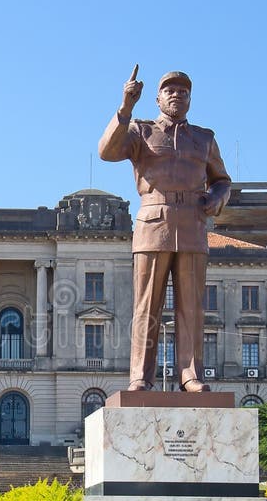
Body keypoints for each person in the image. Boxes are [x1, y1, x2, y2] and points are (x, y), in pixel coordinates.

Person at [99, 65, 231, 392]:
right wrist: (125, 107)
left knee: (191, 308)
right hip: (153, 221)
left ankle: (190, 374)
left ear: (190, 99)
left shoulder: (204, 139)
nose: (177, 95)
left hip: (192, 223)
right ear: (157, 98)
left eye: (183, 91)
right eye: (170, 90)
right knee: (147, 306)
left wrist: (218, 196)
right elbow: (107, 151)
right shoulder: (141, 132)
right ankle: (140, 377)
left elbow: (222, 179)